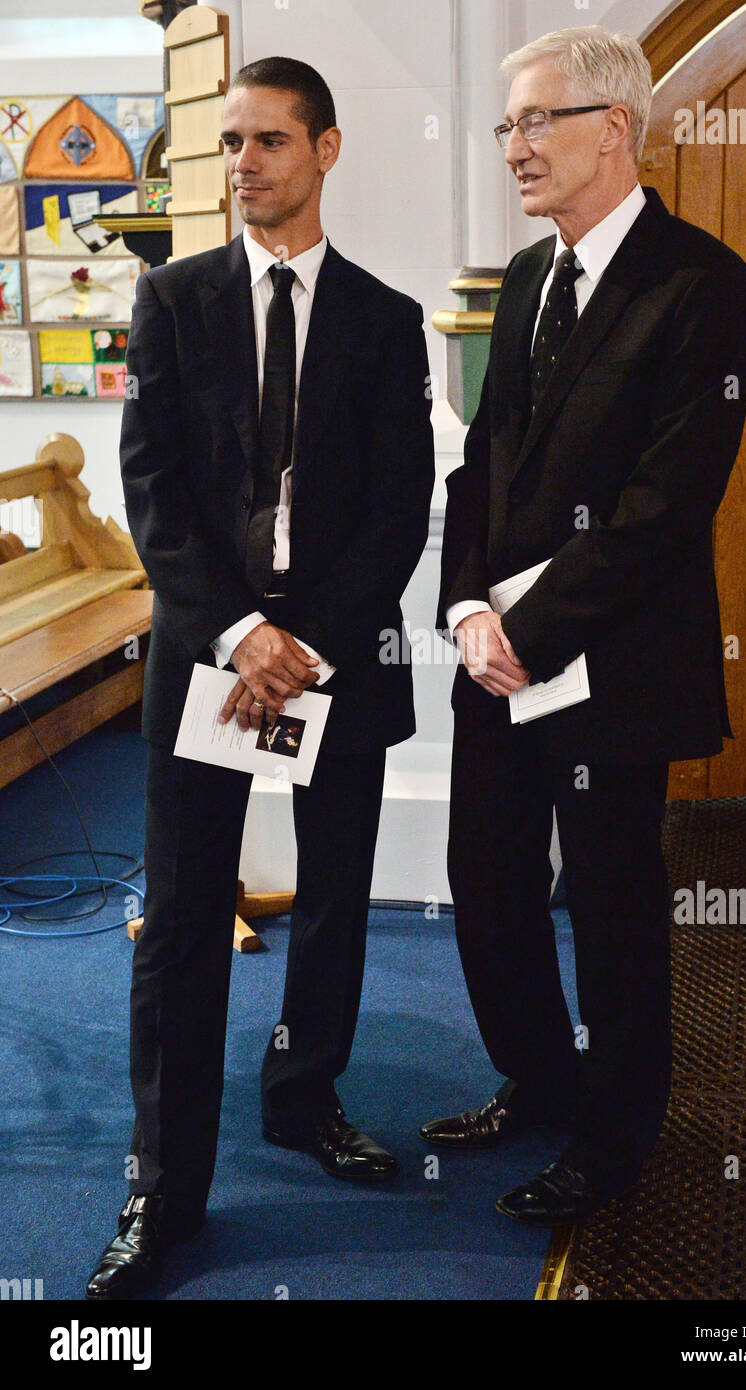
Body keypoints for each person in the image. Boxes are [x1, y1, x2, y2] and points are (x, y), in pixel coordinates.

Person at [86, 56, 434, 1299]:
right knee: (181, 919)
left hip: (335, 659)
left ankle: (304, 1096)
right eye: (228, 144)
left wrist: (307, 646)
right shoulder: (171, 303)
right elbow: (153, 495)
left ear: (324, 151)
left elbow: (400, 508)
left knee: (335, 892)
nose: (242, 166)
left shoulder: (386, 321)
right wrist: (241, 636)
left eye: (268, 143)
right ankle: (163, 1187)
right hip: (208, 658)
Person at [421, 25, 746, 1227]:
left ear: (612, 129)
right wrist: (465, 606)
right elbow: (479, 469)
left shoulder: (702, 283)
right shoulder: (522, 278)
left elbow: (666, 505)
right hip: (493, 656)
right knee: (486, 881)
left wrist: (535, 627)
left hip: (608, 664)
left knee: (611, 905)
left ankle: (613, 1142)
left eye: (532, 122)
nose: (510, 146)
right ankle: (539, 1079)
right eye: (506, 123)